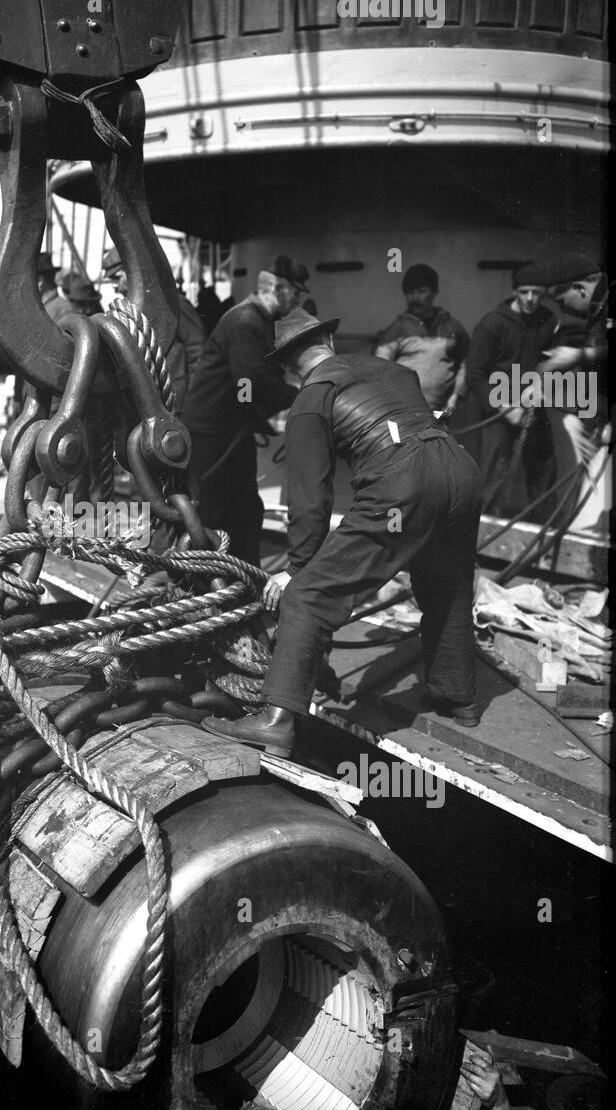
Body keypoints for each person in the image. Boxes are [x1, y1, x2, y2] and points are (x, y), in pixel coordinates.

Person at [203, 307, 482, 757]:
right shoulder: (393, 370)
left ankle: (275, 722)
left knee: (309, 595)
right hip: (461, 470)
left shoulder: (310, 400)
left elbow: (310, 500)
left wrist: (297, 569)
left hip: (403, 483)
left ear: (289, 365)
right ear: (327, 343)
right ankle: (459, 699)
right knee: (446, 586)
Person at [180, 257, 306, 563]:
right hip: (213, 436)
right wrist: (304, 395)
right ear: (277, 288)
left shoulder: (256, 321)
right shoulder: (245, 322)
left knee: (243, 509)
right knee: (215, 512)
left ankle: (239, 580)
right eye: (295, 292)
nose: (299, 299)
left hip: (230, 431)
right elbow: (251, 382)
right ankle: (203, 584)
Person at [465, 264, 556, 517]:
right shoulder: (492, 324)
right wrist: (506, 408)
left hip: (536, 412)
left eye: (536, 292)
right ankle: (483, 548)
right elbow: (475, 374)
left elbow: (553, 363)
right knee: (494, 481)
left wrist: (540, 388)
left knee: (543, 479)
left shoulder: (548, 322)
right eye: (524, 291)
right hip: (499, 415)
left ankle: (541, 546)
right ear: (514, 291)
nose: (530, 299)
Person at [538, 251, 609, 533]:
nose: (563, 310)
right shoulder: (598, 312)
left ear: (580, 288)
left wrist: (578, 356)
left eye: (561, 301)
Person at [102, 245, 205, 408]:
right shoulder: (126, 309)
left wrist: (194, 397)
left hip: (176, 397)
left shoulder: (173, 304)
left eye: (116, 277)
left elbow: (197, 350)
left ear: (130, 272)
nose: (114, 285)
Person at [374, 263, 470, 417]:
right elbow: (379, 370)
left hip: (441, 413)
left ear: (434, 292)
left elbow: (465, 362)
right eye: (410, 293)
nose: (415, 298)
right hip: (405, 414)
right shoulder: (396, 330)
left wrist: (455, 396)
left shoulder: (452, 327)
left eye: (421, 291)